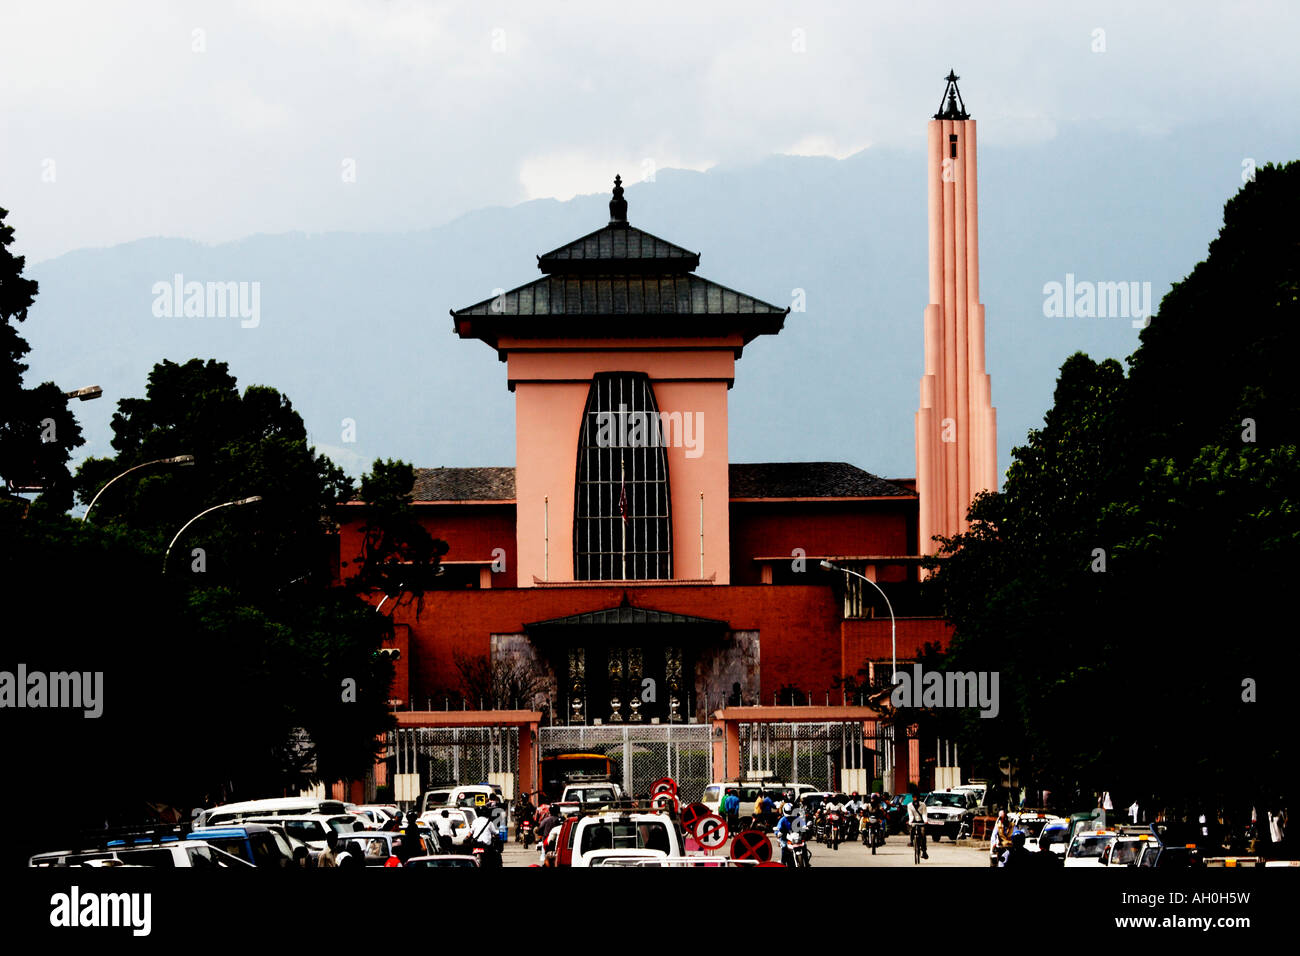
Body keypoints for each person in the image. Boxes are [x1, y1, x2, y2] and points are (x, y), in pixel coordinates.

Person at [908, 793, 928, 859]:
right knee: (911, 830)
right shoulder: (910, 805)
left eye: (916, 798)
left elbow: (924, 814)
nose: (915, 799)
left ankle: (924, 851)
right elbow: (911, 815)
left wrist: (925, 821)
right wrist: (910, 821)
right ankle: (911, 841)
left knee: (923, 833)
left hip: (921, 822)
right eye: (914, 798)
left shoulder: (923, 805)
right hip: (914, 821)